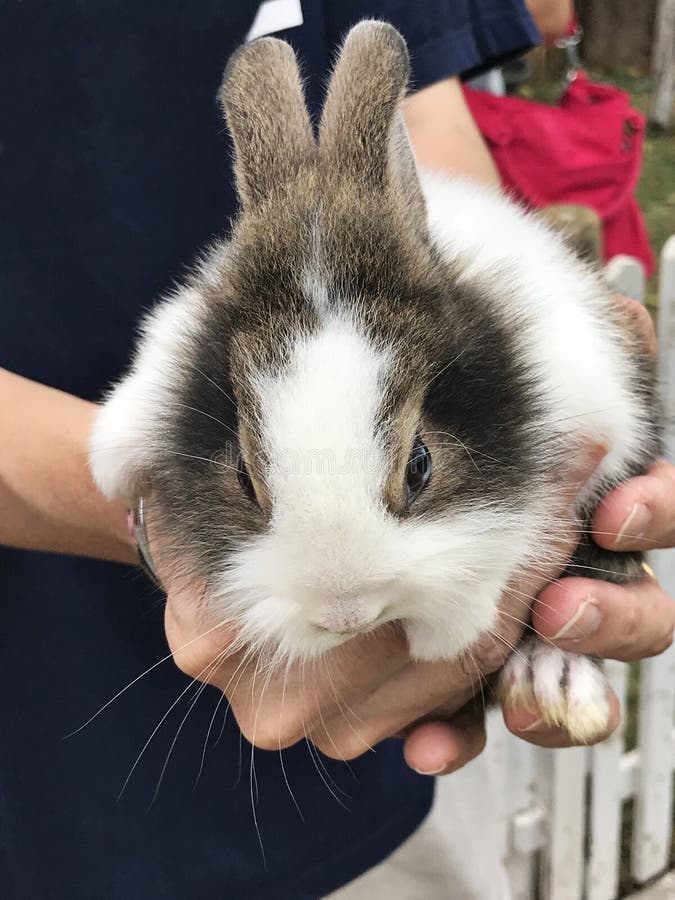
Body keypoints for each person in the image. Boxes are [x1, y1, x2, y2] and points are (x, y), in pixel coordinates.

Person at [1, 3, 673, 898]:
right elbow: (154, 395)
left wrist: (526, 590)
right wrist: (157, 515)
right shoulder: (209, 331)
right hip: (56, 766)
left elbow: (426, 116)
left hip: (400, 781)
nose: (347, 604)